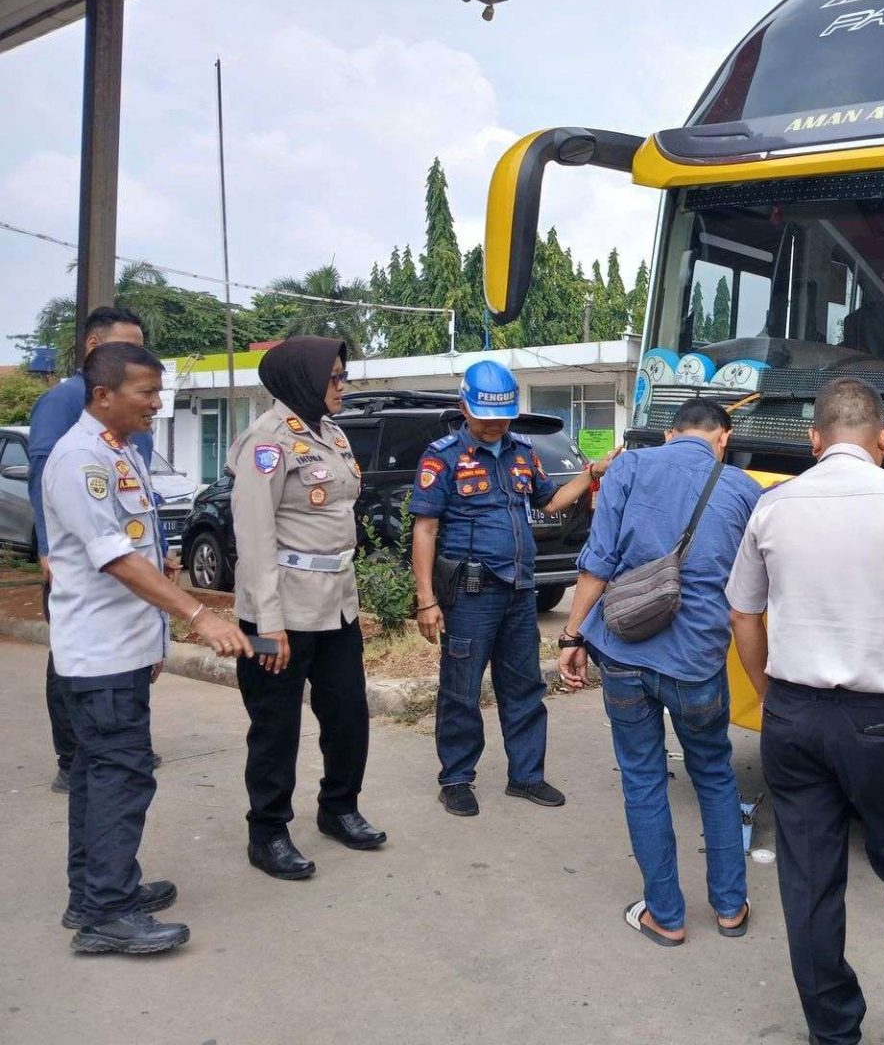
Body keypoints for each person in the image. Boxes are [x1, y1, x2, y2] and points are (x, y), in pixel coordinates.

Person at [727, 376, 884, 1045]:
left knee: (808, 885)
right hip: (883, 721)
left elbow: (742, 611)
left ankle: (835, 1032)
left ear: (814, 439)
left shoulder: (772, 507)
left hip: (793, 718)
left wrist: (769, 692)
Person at [44, 342, 251, 954]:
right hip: (100, 652)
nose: (157, 405)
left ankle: (96, 891)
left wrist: (156, 634)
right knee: (121, 776)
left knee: (97, 773)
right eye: (147, 393)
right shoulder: (81, 459)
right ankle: (107, 912)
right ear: (104, 395)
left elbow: (131, 547)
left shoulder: (117, 452)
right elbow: (112, 558)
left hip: (123, 648)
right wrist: (195, 615)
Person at [557, 398, 760, 946]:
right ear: (724, 436)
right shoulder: (744, 490)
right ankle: (730, 908)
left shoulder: (630, 467)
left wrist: (572, 635)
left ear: (671, 435)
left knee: (644, 779)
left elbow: (597, 562)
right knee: (715, 775)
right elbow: (754, 594)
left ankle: (666, 916)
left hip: (624, 653)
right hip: (696, 663)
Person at [410, 361, 612, 815]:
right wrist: (426, 599)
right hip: (470, 594)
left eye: (502, 416)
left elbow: (550, 500)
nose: (495, 424)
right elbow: (425, 529)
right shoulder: (441, 457)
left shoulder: (522, 452)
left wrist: (592, 473)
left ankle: (526, 776)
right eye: (486, 416)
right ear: (465, 407)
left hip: (520, 591)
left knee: (524, 688)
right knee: (461, 689)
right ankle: (457, 778)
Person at [228, 336, 383, 880]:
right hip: (278, 613)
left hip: (336, 606)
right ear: (303, 380)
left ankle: (339, 807)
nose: (342, 385)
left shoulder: (331, 435)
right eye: (334, 377)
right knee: (275, 727)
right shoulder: (265, 443)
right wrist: (269, 625)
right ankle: (267, 831)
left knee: (347, 715)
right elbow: (254, 538)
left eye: (343, 376)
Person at [28, 305, 165, 793]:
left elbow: (139, 499)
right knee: (74, 652)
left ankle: (102, 752)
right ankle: (74, 752)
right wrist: (49, 549)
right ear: (94, 350)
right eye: (125, 347)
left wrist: (161, 552)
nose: (154, 401)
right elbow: (47, 471)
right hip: (83, 556)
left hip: (124, 563)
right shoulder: (68, 403)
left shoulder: (128, 426)